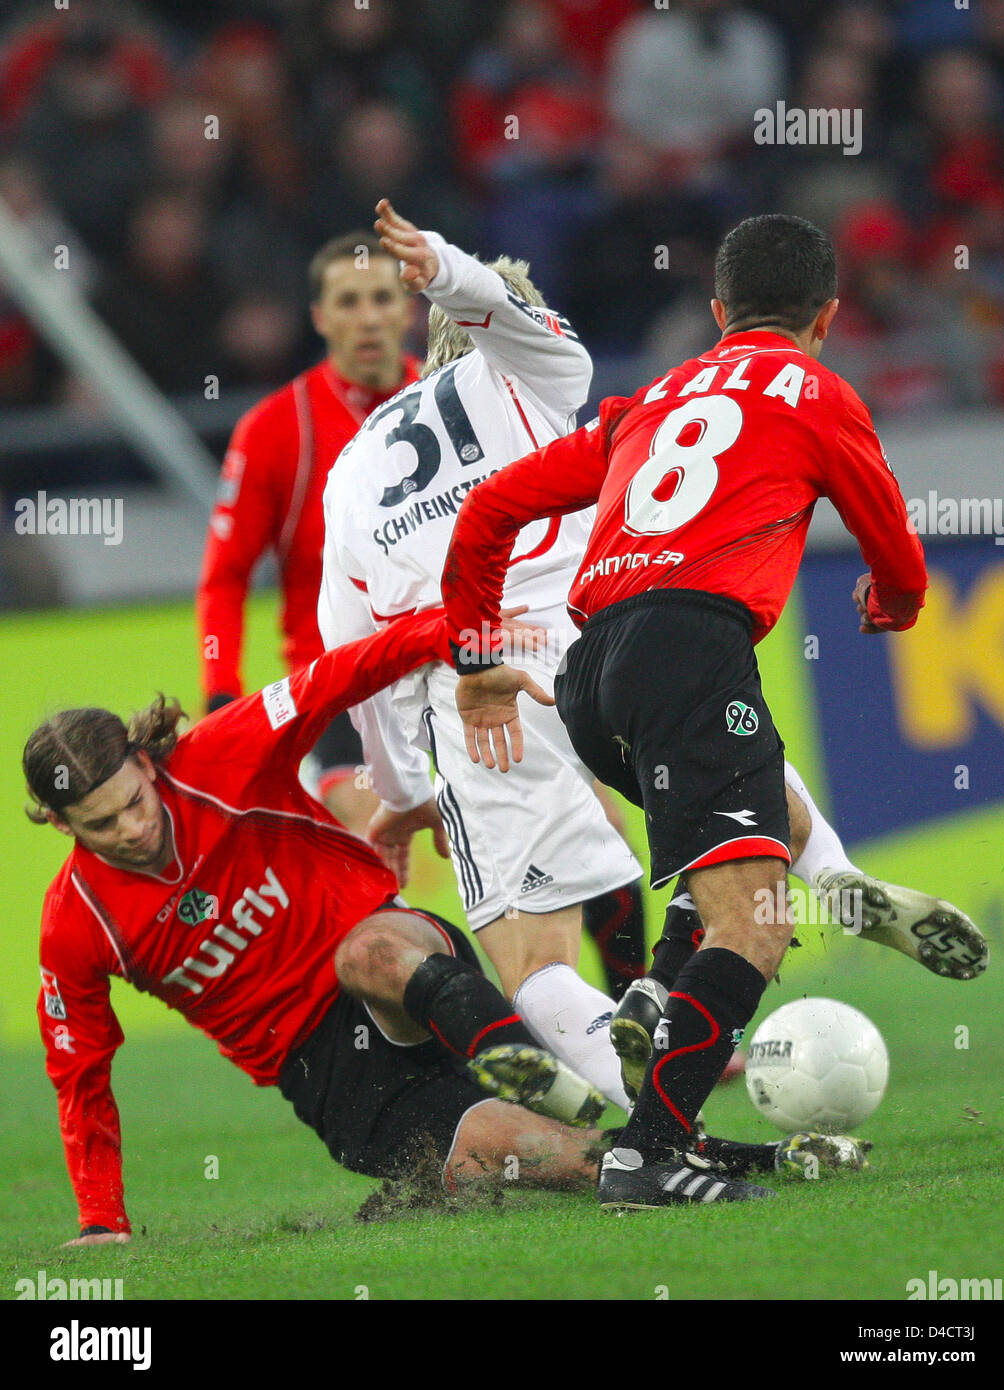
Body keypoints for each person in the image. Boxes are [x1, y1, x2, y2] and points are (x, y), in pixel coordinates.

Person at [441, 213, 988, 1208]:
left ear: (714, 312)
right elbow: (892, 543)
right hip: (691, 649)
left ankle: (661, 979)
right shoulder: (817, 390)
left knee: (760, 822)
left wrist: (475, 662)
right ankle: (646, 1153)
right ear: (825, 314)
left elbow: (485, 516)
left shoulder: (643, 399)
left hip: (586, 672)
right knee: (759, 921)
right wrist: (894, 604)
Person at [26, 609, 864, 1243]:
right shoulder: (77, 925)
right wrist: (102, 1222)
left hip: (410, 968)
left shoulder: (220, 752)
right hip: (330, 1077)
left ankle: (526, 1064)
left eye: (134, 803)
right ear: (63, 825)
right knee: (560, 1159)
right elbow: (80, 1077)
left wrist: (457, 633)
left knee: (371, 951)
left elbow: (345, 670)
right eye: (101, 826)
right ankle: (754, 1158)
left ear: (146, 762)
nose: (131, 831)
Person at [319, 200, 646, 1111]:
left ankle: (639, 1119)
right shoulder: (545, 383)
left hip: (470, 697)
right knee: (715, 822)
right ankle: (803, 886)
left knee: (531, 966)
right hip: (596, 647)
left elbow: (355, 659)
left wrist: (397, 795)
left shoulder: (351, 469)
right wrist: (450, 269)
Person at [196, 231, 421, 837]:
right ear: (320, 318)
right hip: (342, 690)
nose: (368, 318)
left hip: (459, 662)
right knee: (376, 835)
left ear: (409, 308)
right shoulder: (272, 430)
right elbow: (224, 578)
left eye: (382, 297)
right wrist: (222, 695)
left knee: (597, 831)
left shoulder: (457, 401)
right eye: (348, 302)